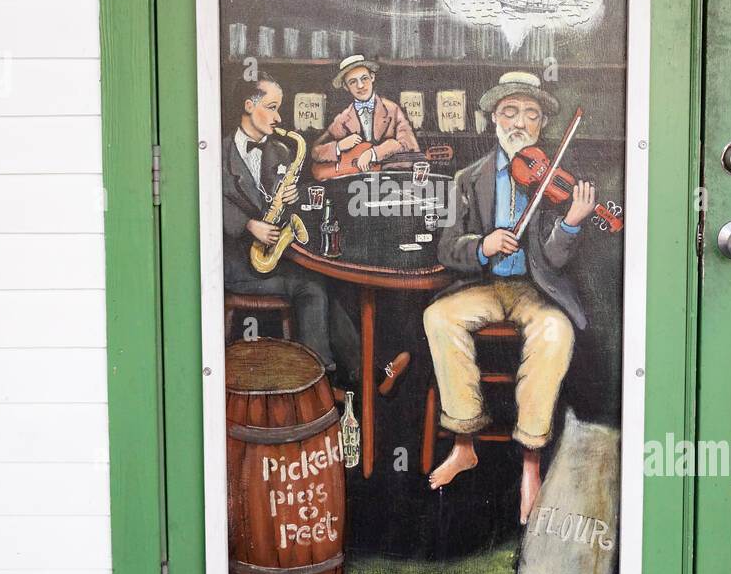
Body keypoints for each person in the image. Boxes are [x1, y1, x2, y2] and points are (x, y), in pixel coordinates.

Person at [422, 71, 595, 524]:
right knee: (439, 317)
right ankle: (464, 445)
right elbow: (447, 248)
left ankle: (531, 463)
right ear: (493, 119)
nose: (520, 123)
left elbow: (554, 260)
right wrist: (483, 245)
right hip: (482, 286)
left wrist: (572, 221)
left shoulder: (553, 179)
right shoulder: (467, 177)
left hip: (533, 290)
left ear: (541, 127)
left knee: (555, 331)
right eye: (510, 113)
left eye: (531, 115)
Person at [223, 73, 408, 392]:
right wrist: (249, 225)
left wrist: (293, 200)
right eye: (272, 107)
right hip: (236, 263)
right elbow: (206, 201)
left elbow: (282, 202)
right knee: (312, 287)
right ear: (249, 105)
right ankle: (321, 379)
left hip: (273, 255)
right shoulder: (218, 153)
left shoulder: (281, 152)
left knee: (333, 281)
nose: (279, 117)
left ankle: (361, 374)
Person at [311, 55, 420, 174]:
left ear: (372, 77)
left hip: (388, 180)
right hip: (353, 180)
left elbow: (410, 146)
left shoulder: (392, 109)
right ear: (345, 86)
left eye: (364, 79)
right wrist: (339, 146)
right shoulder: (343, 119)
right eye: (353, 82)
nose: (360, 86)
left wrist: (373, 154)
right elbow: (315, 152)